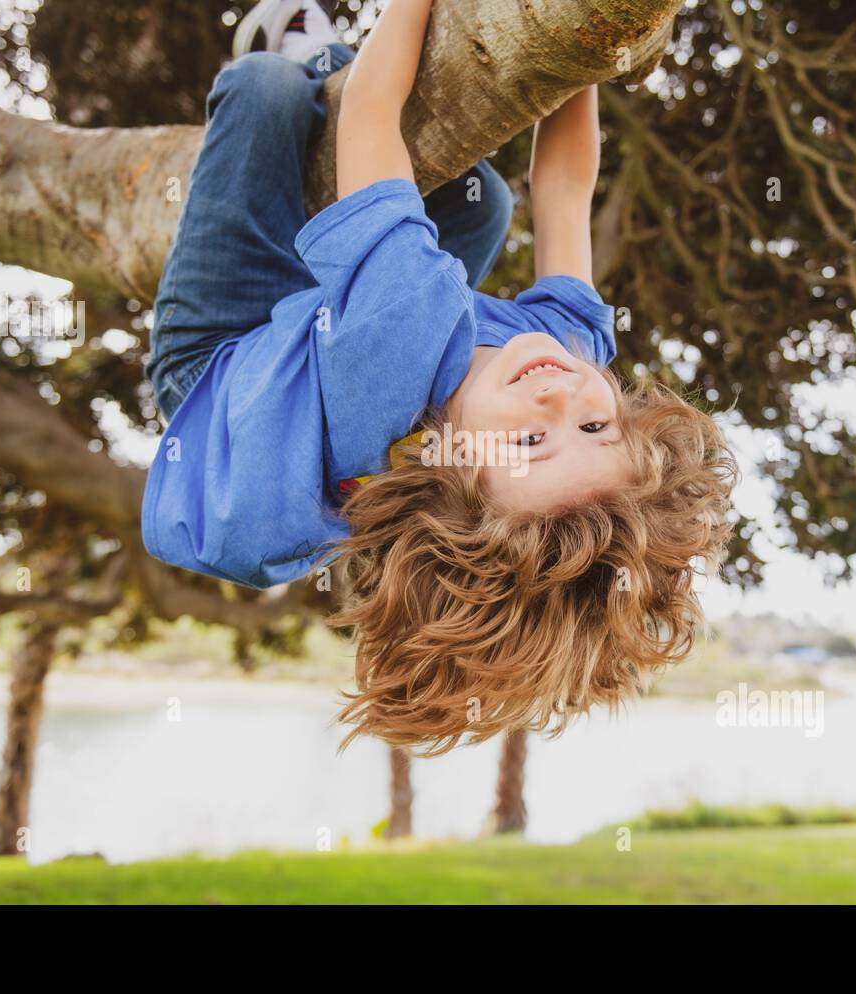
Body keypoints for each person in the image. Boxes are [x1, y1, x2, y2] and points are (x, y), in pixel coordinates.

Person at [143, 0, 737, 755]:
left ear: (445, 465)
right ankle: (351, 248)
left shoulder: (401, 330)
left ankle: (312, 51)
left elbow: (370, 108)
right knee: (480, 200)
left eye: (529, 440)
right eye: (595, 428)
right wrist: (588, 47)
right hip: (327, 351)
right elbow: (562, 191)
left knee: (265, 91)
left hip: (219, 362)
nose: (563, 397)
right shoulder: (569, 354)